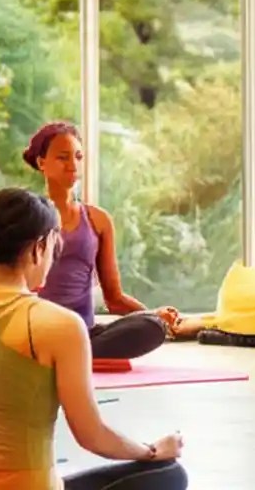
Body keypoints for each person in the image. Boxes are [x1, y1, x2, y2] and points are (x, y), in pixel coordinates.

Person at [0, 188, 188, 490]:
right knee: (168, 474)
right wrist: (151, 450)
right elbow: (91, 435)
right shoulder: (60, 325)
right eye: (54, 248)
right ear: (39, 247)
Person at [24, 122, 171, 370]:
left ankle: (71, 357)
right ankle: (68, 356)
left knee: (153, 326)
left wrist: (153, 314)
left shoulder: (98, 220)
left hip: (84, 333)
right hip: (38, 331)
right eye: (63, 157)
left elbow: (114, 299)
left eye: (78, 157)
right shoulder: (28, 216)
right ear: (41, 162)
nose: (73, 165)